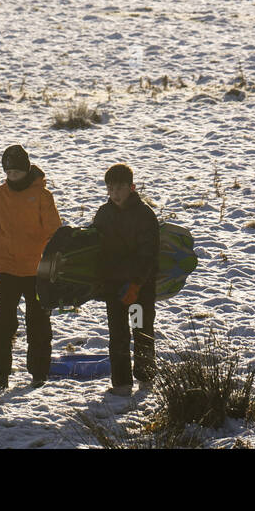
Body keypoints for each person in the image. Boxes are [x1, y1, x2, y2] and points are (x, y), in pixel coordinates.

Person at [0, 144, 61, 388]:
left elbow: (54, 234)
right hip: (8, 268)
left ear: (26, 170)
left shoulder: (42, 196)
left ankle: (39, 371)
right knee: (2, 321)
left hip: (37, 270)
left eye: (17, 172)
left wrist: (49, 268)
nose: (12, 176)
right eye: (9, 172)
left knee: (37, 322)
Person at [93, 163, 160, 397]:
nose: (115, 193)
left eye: (120, 188)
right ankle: (121, 383)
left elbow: (149, 254)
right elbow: (94, 247)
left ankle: (146, 375)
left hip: (140, 289)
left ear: (131, 187)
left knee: (141, 330)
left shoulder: (144, 215)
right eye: (110, 188)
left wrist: (136, 284)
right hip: (114, 289)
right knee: (118, 334)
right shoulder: (103, 214)